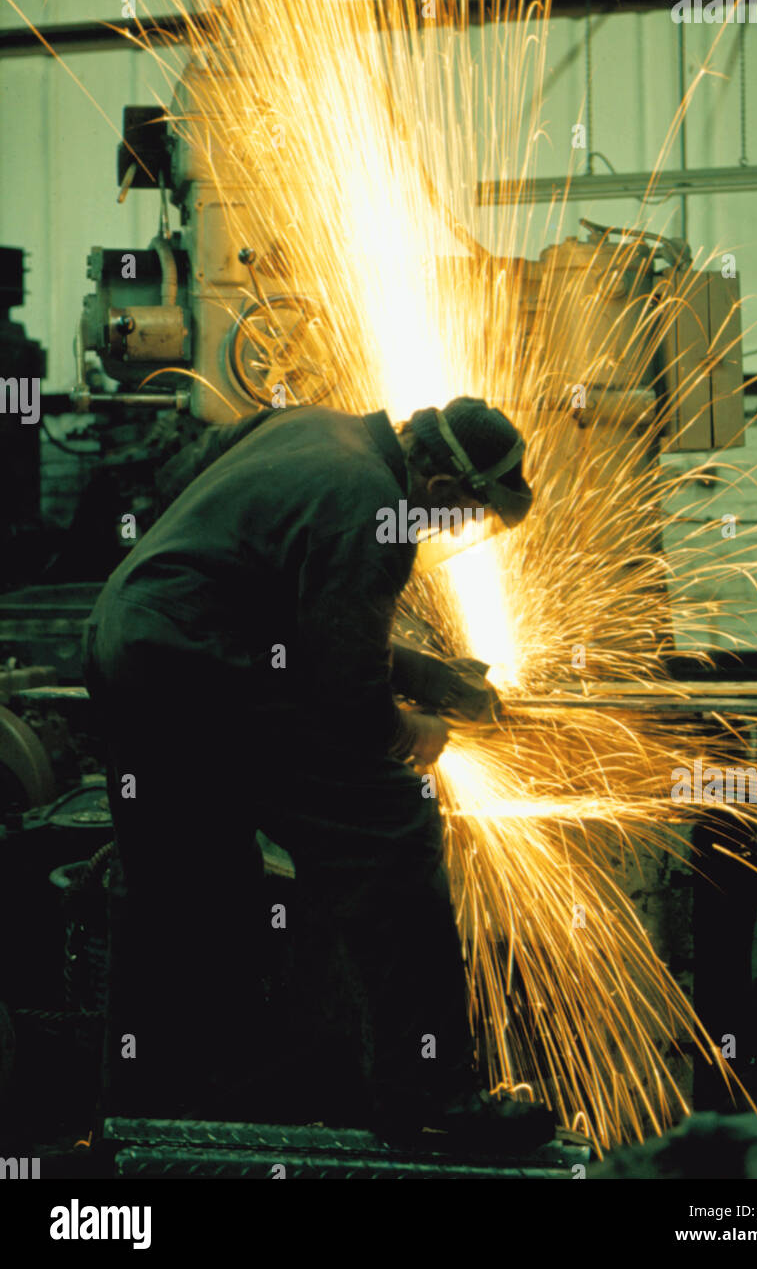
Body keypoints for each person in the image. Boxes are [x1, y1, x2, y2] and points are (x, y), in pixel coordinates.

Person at [83, 396, 556, 1152]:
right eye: (466, 520)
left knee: (183, 883)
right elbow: (348, 703)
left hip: (136, 646)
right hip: (204, 671)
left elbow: (264, 587)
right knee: (393, 828)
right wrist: (421, 732)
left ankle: (152, 1100)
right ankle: (434, 1093)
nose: (456, 537)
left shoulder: (312, 427)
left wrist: (429, 676)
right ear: (436, 493)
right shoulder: (373, 507)